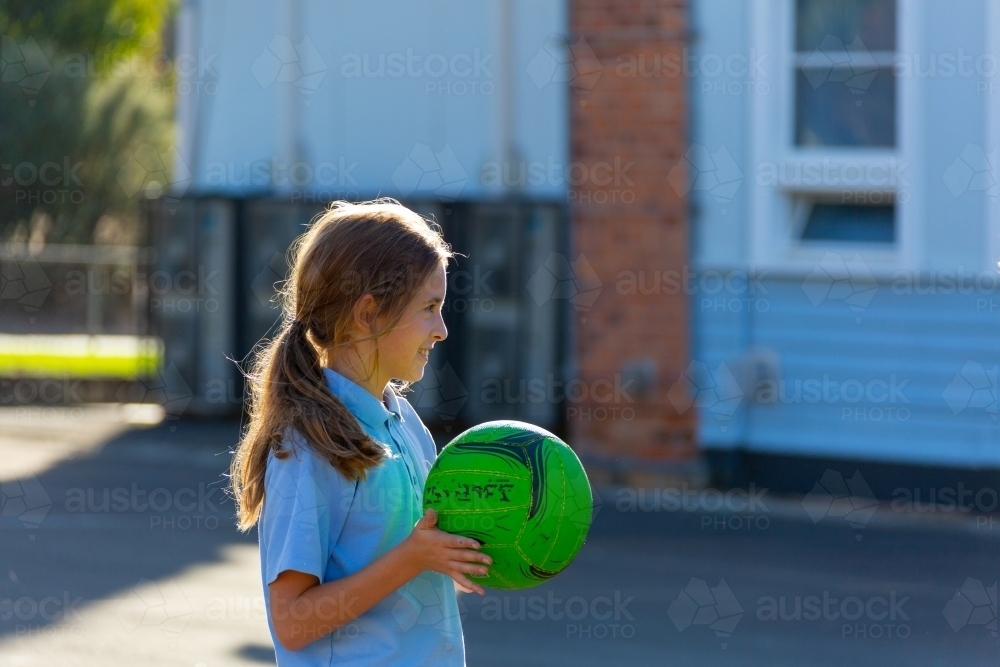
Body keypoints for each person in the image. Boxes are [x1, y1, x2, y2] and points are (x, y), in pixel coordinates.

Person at [230, 199, 490, 666]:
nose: (442, 330)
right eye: (429, 308)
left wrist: (462, 553)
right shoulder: (306, 447)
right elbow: (292, 622)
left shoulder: (407, 424)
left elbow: (407, 562)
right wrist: (415, 557)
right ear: (367, 313)